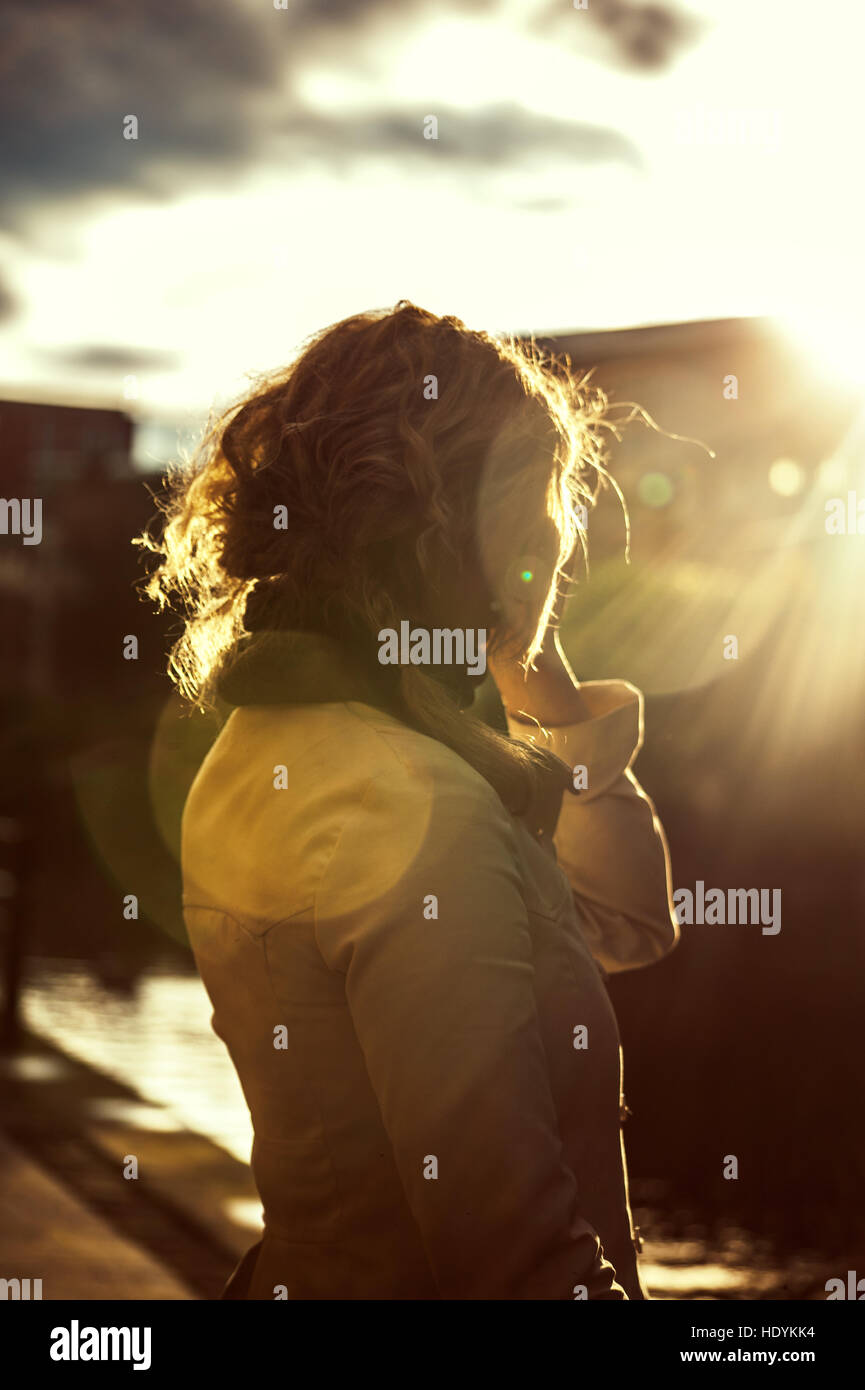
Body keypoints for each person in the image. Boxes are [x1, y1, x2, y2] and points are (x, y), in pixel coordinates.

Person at [142, 300, 679, 1299]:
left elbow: (626, 918)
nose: (563, 538)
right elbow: (514, 1258)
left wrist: (542, 682)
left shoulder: (273, 743)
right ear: (467, 527)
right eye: (547, 501)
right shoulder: (420, 801)